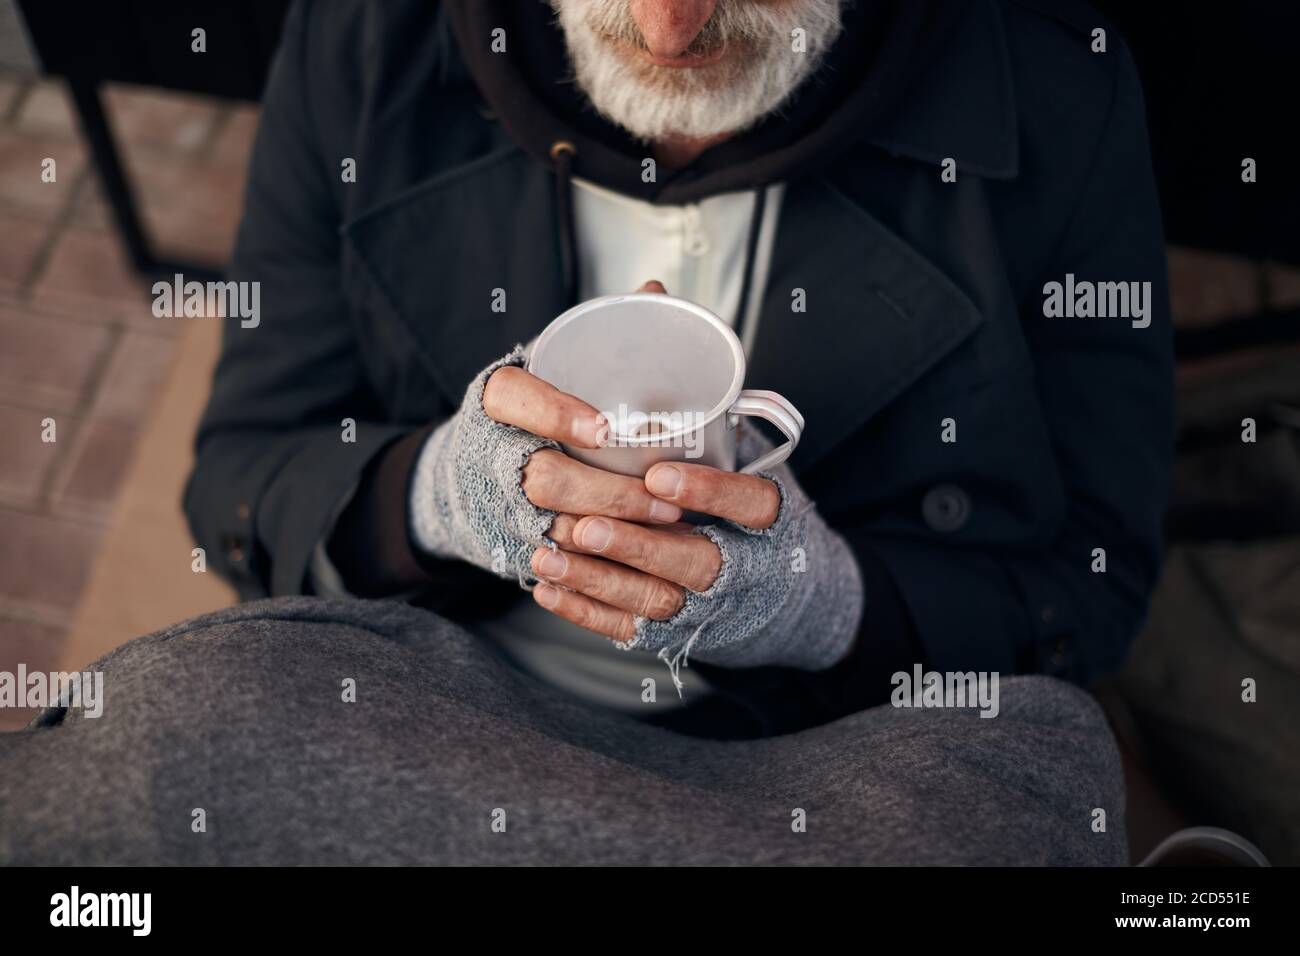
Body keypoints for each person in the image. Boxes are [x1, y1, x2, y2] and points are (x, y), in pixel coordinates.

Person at [185, 0, 1173, 738]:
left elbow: (1089, 589)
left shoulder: (1056, 98)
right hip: (431, 695)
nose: (666, 32)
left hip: (811, 748)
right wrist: (431, 496)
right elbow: (239, 477)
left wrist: (825, 607)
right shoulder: (364, 38)